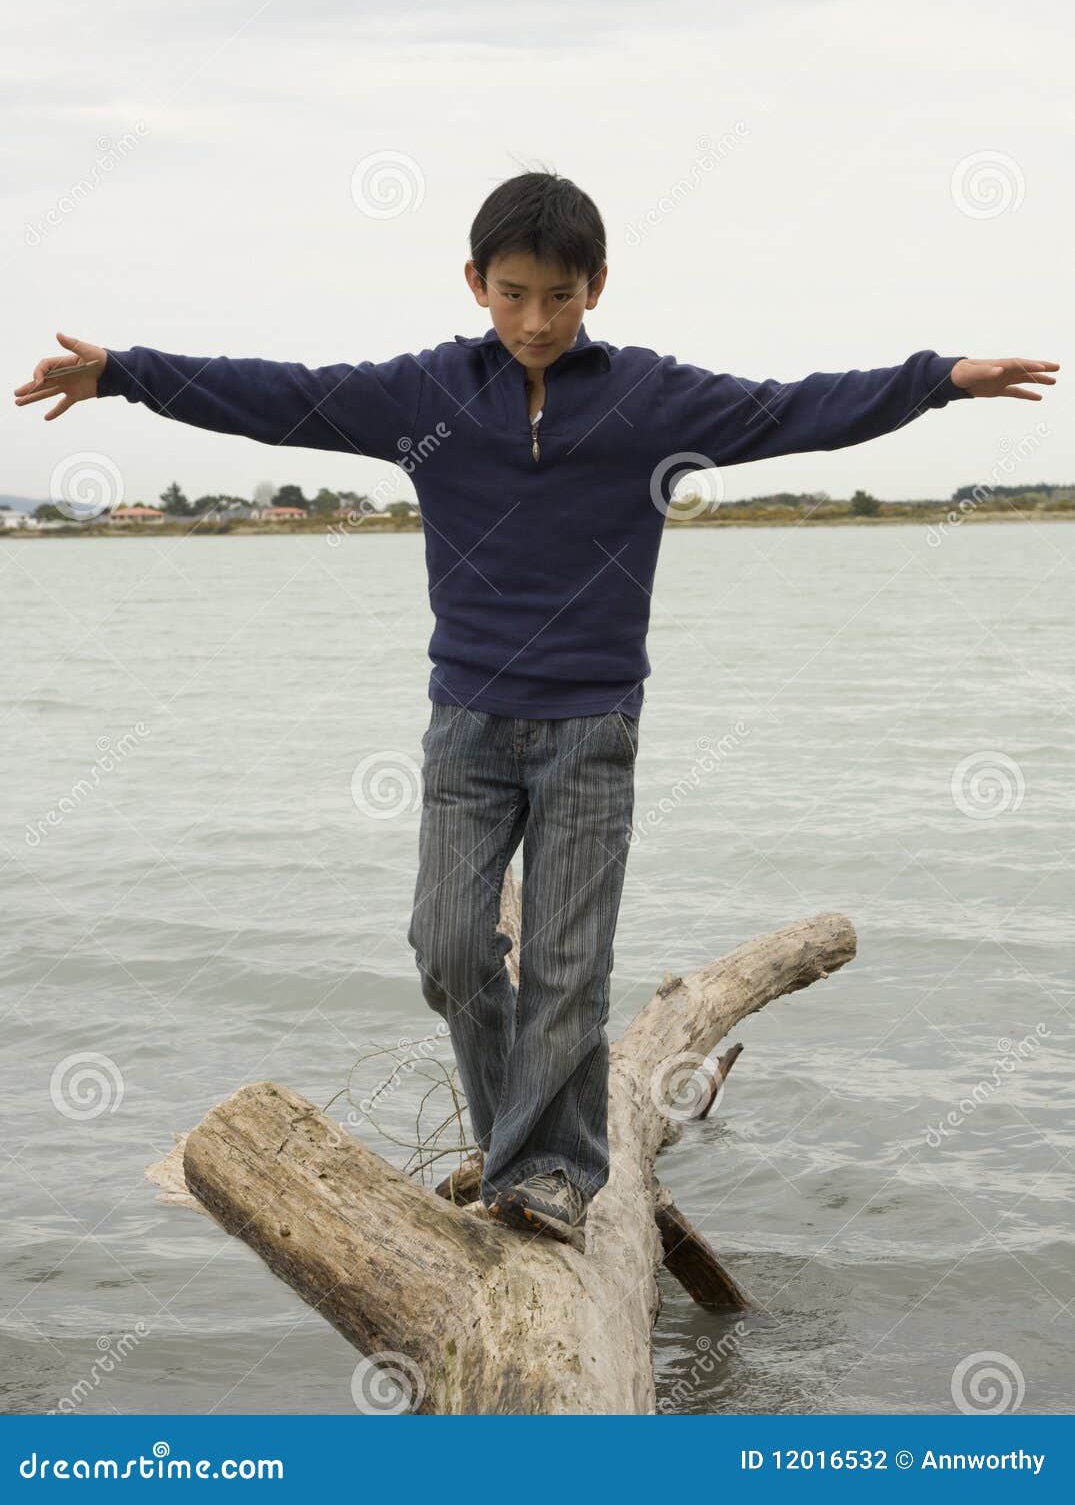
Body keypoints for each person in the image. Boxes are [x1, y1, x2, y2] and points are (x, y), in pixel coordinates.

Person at [15, 170, 1059, 1255]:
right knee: (450, 946)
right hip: (465, 724)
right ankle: (522, 1136)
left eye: (558, 296)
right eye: (512, 294)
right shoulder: (426, 394)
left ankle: (543, 1171)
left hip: (591, 730)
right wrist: (125, 375)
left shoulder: (651, 399)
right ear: (475, 283)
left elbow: (794, 409)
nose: (535, 321)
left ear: (596, 286)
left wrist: (938, 379)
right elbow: (286, 394)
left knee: (567, 968)